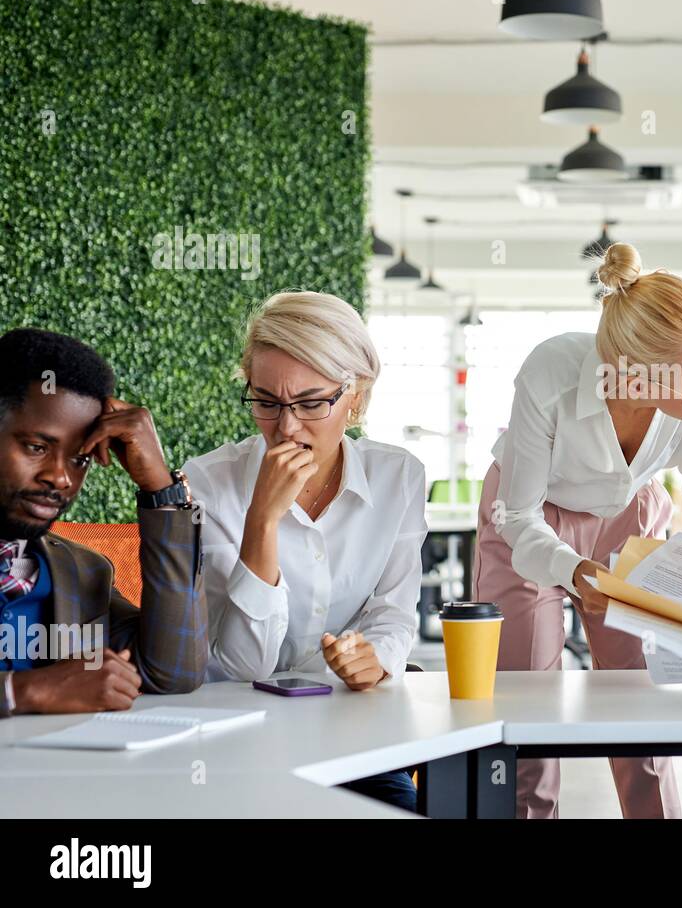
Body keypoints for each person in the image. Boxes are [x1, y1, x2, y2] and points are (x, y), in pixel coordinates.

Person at [475, 241, 682, 819]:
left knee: (638, 691)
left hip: (628, 515)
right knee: (524, 694)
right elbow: (521, 515)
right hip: (527, 522)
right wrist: (573, 570)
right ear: (638, 379)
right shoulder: (550, 374)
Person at [183, 291, 427, 808]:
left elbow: (394, 614)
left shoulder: (398, 477)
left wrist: (375, 659)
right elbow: (244, 664)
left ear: (355, 398)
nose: (286, 427)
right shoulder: (208, 483)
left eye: (312, 403)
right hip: (233, 737)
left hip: (348, 734)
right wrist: (262, 519)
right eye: (266, 402)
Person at [0, 328, 207, 717]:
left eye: (79, 459)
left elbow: (174, 672)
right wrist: (24, 691)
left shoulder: (83, 573)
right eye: (37, 447)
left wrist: (160, 490)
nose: (60, 478)